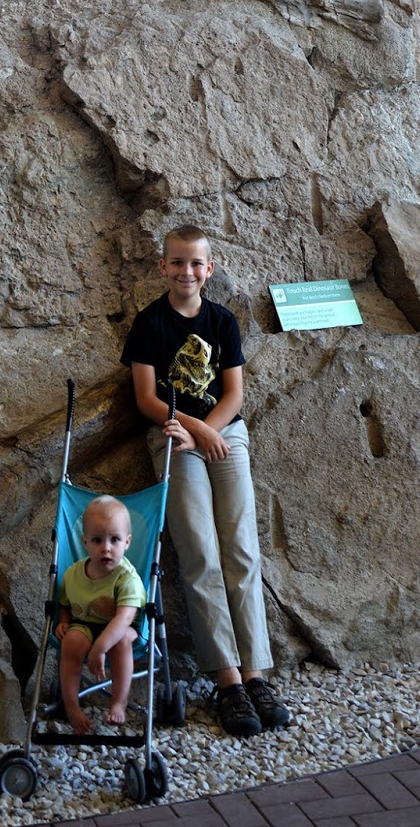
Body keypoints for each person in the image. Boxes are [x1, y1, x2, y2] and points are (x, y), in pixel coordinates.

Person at [120, 224, 291, 738]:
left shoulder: (223, 321)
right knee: (200, 553)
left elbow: (234, 393)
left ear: (209, 269)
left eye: (196, 263)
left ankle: (256, 673)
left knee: (241, 547)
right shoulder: (149, 323)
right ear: (163, 267)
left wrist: (210, 433)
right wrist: (194, 432)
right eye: (177, 262)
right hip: (174, 435)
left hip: (225, 435)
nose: (187, 271)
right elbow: (146, 399)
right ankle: (227, 680)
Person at [55, 494, 146, 735]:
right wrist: (64, 621)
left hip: (121, 626)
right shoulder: (73, 574)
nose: (106, 548)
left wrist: (100, 648)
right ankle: (72, 707)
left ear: (127, 542)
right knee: (71, 641)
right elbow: (64, 602)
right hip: (85, 623)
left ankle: (119, 701)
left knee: (122, 640)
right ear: (84, 542)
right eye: (97, 540)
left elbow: (124, 618)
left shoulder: (127, 578)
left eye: (114, 540)